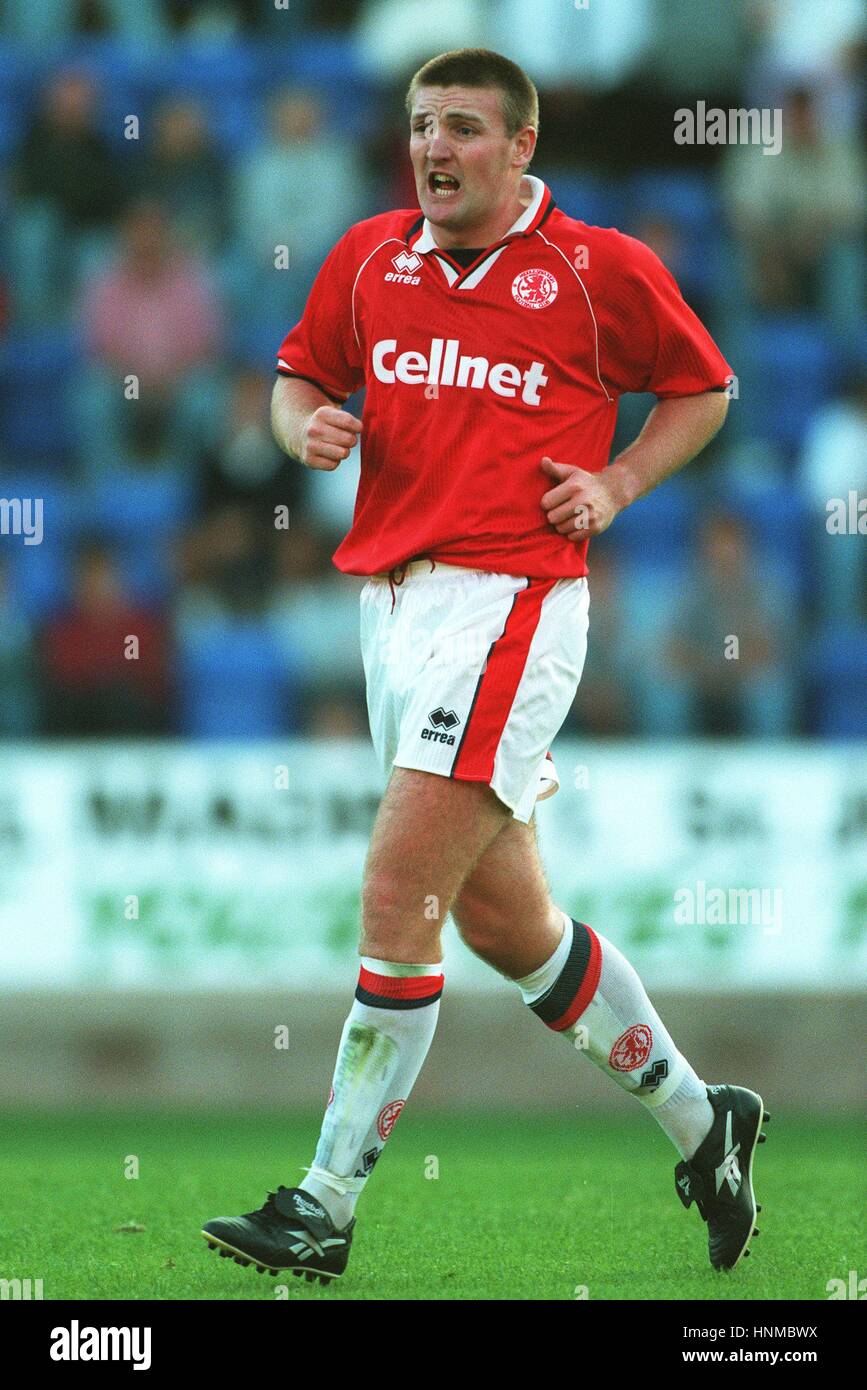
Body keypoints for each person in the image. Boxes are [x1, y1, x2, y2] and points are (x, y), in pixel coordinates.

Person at [203, 48, 768, 1286]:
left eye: (462, 126)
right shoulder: (368, 256)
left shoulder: (596, 268)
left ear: (520, 147)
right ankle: (704, 1123)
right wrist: (311, 430)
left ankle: (325, 1200)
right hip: (390, 612)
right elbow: (297, 379)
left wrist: (617, 480)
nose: (434, 147)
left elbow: (706, 385)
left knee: (398, 889)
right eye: (420, 126)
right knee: (513, 926)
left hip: (511, 603)